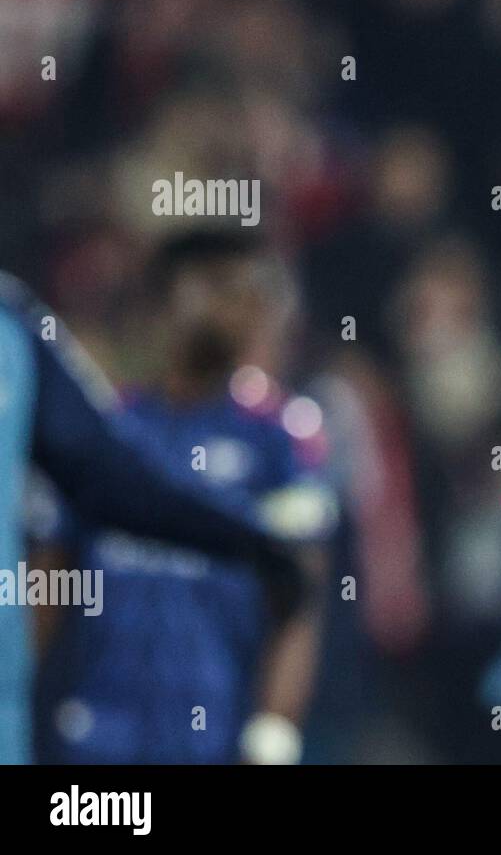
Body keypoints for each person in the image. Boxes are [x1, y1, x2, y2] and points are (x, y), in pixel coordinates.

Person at [27, 230, 336, 765]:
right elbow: (51, 571)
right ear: (163, 302)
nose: (240, 305)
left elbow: (300, 599)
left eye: (252, 290)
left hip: (216, 732)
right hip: (95, 732)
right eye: (218, 286)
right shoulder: (107, 430)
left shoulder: (282, 439)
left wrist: (274, 730)